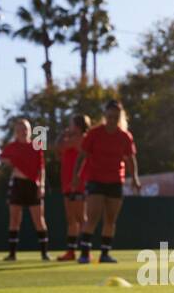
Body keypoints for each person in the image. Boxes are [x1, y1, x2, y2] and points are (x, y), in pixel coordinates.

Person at [72, 99, 140, 264]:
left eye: (115, 117)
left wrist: (135, 178)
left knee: (110, 219)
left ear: (120, 117)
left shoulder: (125, 136)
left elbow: (131, 159)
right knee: (93, 217)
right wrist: (76, 176)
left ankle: (105, 253)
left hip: (116, 181)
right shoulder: (94, 134)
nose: (112, 120)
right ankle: (84, 253)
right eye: (109, 116)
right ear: (105, 116)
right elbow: (82, 156)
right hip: (95, 180)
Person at [0, 118, 49, 261]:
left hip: (33, 185)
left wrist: (42, 185)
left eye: (25, 129)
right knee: (14, 219)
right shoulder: (11, 147)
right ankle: (12, 254)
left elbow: (41, 168)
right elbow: (1, 158)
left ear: (30, 131)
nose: (23, 132)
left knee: (39, 219)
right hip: (17, 185)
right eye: (20, 129)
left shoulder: (37, 146)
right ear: (15, 132)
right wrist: (11, 163)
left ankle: (44, 253)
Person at [55, 114, 90, 261]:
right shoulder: (71, 139)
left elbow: (58, 146)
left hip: (78, 183)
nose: (69, 126)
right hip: (67, 184)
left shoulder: (81, 138)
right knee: (71, 219)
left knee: (81, 218)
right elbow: (58, 153)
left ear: (78, 126)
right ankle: (71, 251)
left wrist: (62, 134)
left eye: (71, 124)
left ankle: (85, 251)